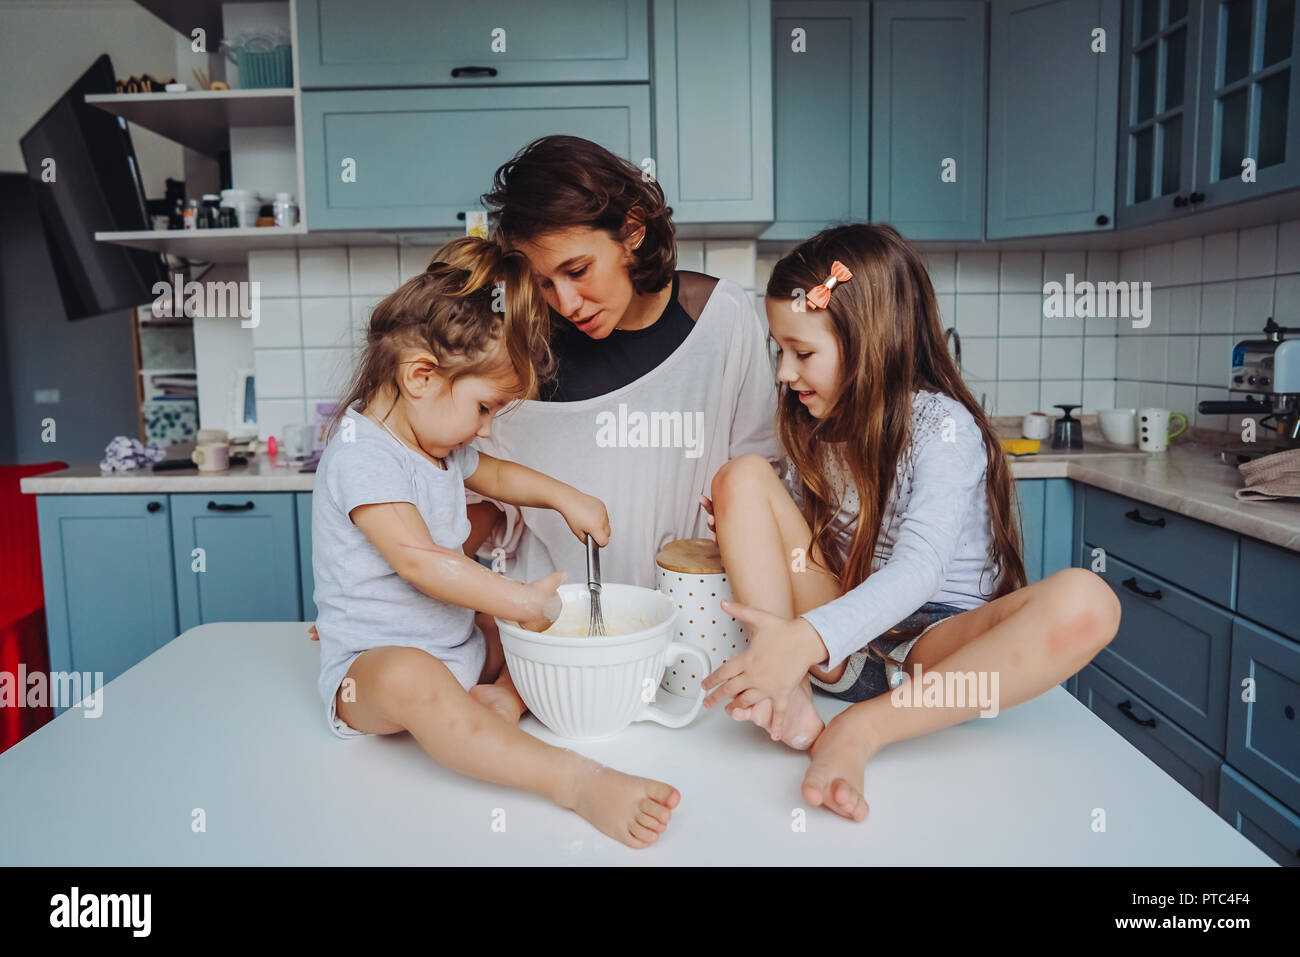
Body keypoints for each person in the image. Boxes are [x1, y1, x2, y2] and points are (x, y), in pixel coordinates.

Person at [698, 223, 1121, 822]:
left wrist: (805, 636)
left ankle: (862, 730)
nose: (786, 375)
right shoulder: (813, 429)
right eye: (780, 352)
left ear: (870, 342)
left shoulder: (942, 427)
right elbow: (805, 551)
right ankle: (789, 697)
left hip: (932, 651)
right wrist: (748, 523)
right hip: (842, 642)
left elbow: (920, 570)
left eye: (804, 353)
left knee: (1088, 602)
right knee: (739, 476)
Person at [311, 236, 679, 849]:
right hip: (373, 673)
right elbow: (420, 561)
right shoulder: (363, 456)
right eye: (484, 409)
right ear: (421, 375)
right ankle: (573, 782)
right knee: (416, 675)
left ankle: (501, 706)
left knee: (520, 642)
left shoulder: (434, 441)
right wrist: (519, 600)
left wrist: (567, 498)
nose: (484, 429)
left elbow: (500, 477)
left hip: (454, 646)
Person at [460, 135, 782, 594]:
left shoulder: (718, 320)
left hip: (697, 621)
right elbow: (484, 493)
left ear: (632, 231)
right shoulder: (522, 346)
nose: (566, 303)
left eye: (577, 271)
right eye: (544, 283)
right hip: (555, 628)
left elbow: (760, 477)